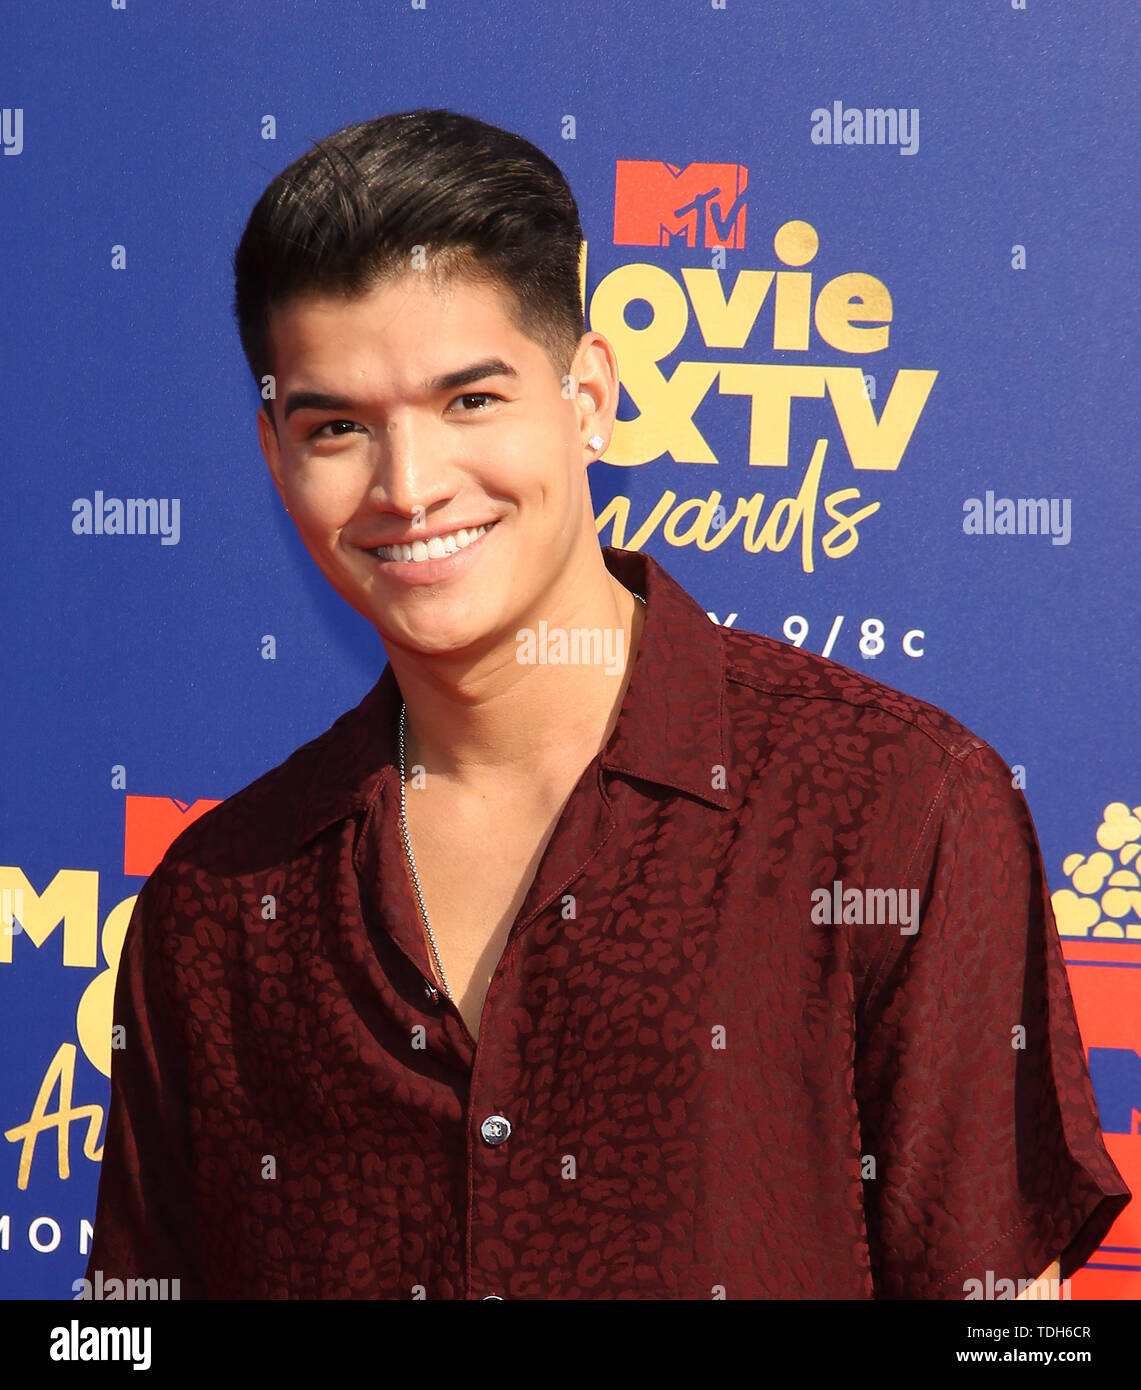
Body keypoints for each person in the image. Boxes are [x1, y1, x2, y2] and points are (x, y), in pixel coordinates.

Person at [86, 108, 1128, 1300]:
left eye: (470, 401)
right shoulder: (222, 905)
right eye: (338, 427)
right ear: (275, 454)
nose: (412, 487)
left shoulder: (898, 808)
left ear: (587, 397)